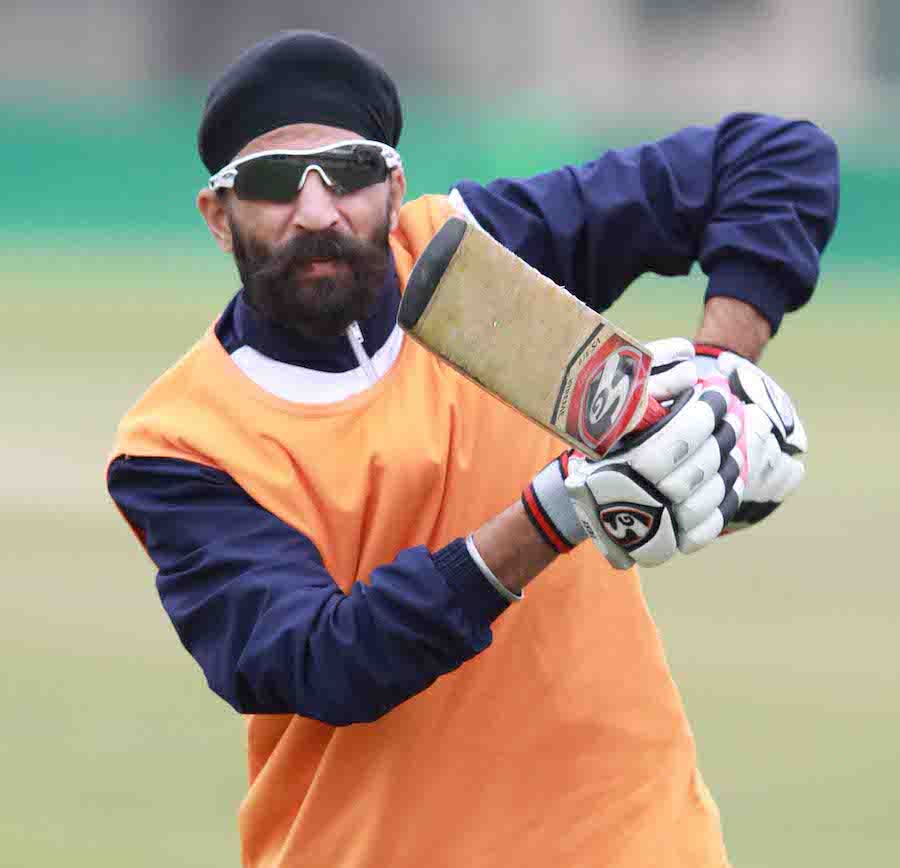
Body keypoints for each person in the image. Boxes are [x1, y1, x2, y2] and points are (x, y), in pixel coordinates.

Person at [106, 30, 838, 868]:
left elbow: (776, 157)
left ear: (392, 184)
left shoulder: (476, 254)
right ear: (218, 214)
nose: (316, 212)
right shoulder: (180, 444)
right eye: (272, 182)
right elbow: (326, 663)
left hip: (638, 843)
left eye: (346, 173)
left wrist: (718, 374)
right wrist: (562, 509)